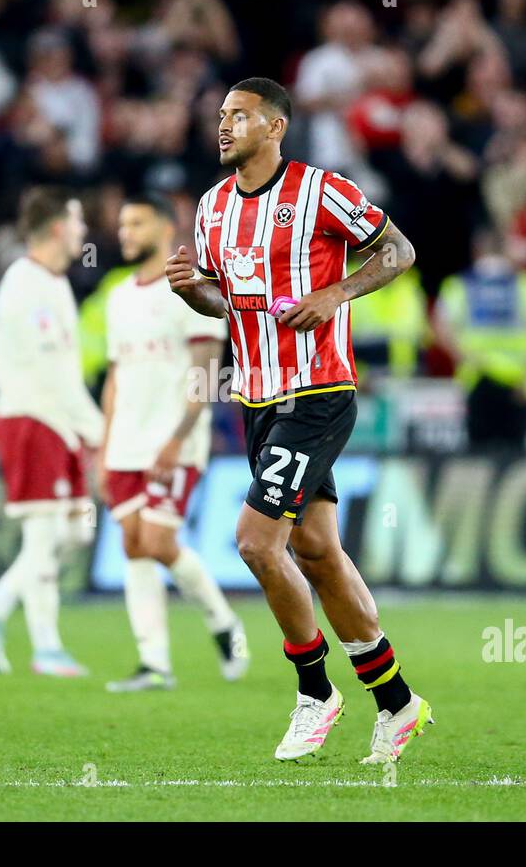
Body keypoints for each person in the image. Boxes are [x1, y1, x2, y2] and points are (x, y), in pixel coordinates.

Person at [167, 77, 432, 764]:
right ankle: (398, 703)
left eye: (239, 116)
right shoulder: (211, 207)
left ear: (275, 126)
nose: (223, 127)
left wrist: (337, 292)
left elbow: (399, 251)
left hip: (316, 393)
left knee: (256, 544)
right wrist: (193, 289)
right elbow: (230, 306)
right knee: (315, 552)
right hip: (255, 401)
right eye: (220, 115)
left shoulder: (321, 191)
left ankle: (315, 693)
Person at [98, 193, 247, 692]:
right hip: (124, 442)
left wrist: (177, 438)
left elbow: (207, 373)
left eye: (136, 222)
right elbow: (116, 376)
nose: (126, 232)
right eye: (123, 223)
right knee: (134, 544)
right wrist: (103, 446)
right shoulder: (117, 296)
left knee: (159, 541)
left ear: (167, 228)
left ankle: (224, 623)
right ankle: (154, 664)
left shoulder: (190, 290)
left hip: (173, 439)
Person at [0, 189, 102, 676]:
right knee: (44, 535)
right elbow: (50, 371)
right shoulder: (25, 281)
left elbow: (63, 369)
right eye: (78, 222)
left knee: (77, 531)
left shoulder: (55, 284)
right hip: (33, 418)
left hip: (59, 422)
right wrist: (97, 427)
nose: (84, 233)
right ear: (59, 227)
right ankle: (46, 647)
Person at [433, 231, 526, 451]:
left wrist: (465, 358)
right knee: (516, 452)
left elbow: (441, 327)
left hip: (477, 379)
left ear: (476, 251)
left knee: (478, 453)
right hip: (519, 381)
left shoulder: (459, 285)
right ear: (506, 251)